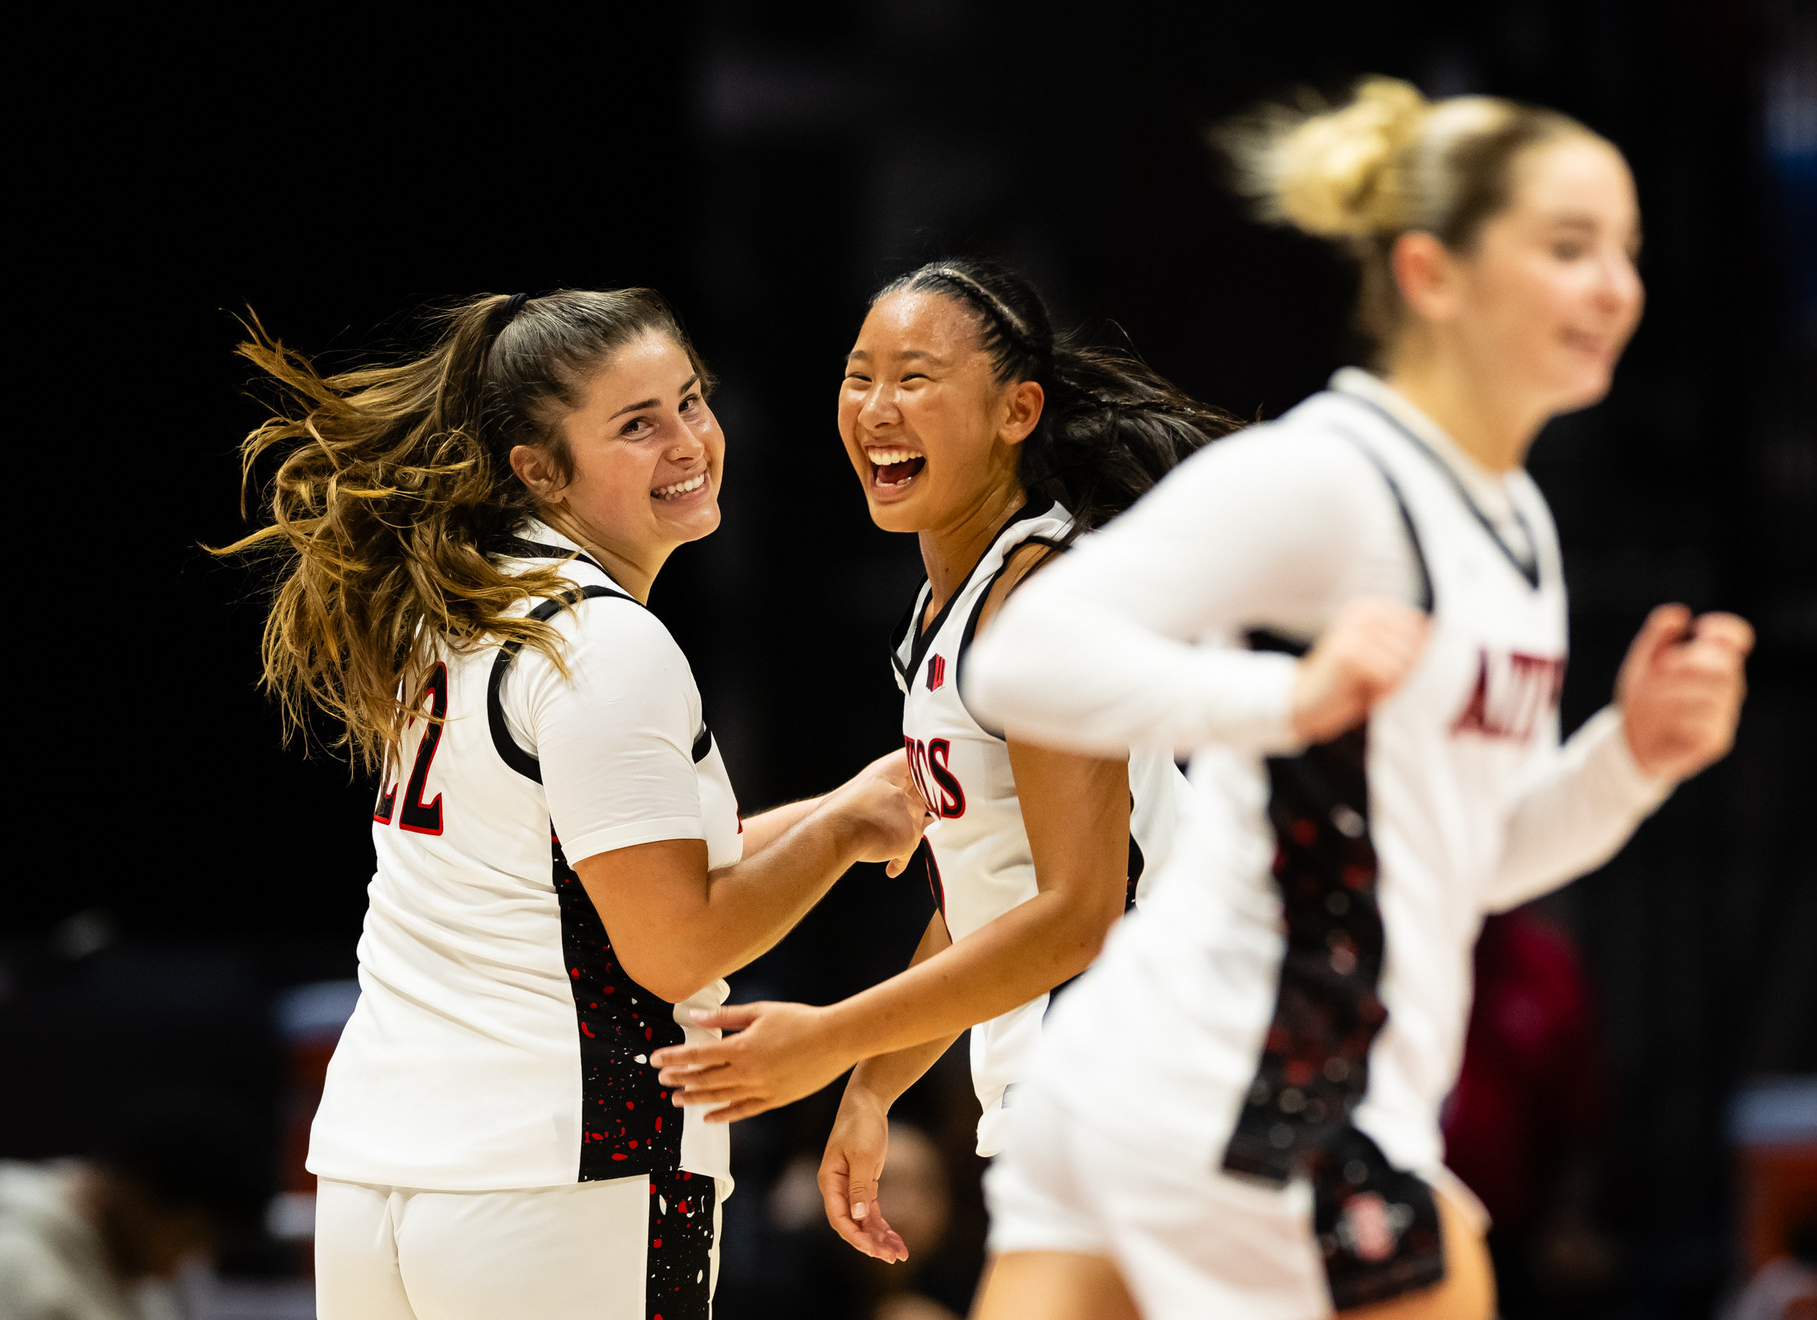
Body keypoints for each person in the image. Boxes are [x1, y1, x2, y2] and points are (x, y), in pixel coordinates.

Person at [960, 78, 1753, 1320]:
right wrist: (1282, 696)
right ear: (1431, 274)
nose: (1616, 287)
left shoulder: (1515, 519)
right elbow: (1023, 665)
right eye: (1567, 248)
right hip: (1247, 1089)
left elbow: (1466, 858)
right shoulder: (1332, 475)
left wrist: (1631, 759)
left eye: (1627, 253)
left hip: (1157, 1081)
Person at [213, 289, 930, 1320]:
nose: (689, 441)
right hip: (567, 1177)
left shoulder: (465, 609)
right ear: (538, 468)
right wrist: (844, 832)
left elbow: (599, 871)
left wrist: (837, 812)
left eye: (691, 401)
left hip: (385, 1175)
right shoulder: (605, 641)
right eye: (637, 425)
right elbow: (674, 946)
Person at [648, 259, 1239, 1261]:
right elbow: (990, 893)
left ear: (1018, 411)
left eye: (915, 378)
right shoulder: (947, 608)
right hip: (1085, 1091)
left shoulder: (1044, 603)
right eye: (858, 375)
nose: (877, 408)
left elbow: (1077, 915)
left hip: (1145, 1077)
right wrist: (876, 1079)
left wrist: (832, 1037)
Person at [0, 1100, 265, 1320]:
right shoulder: (12, 1262)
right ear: (137, 1191)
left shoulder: (127, 1263)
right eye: (186, 1238)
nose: (177, 1267)